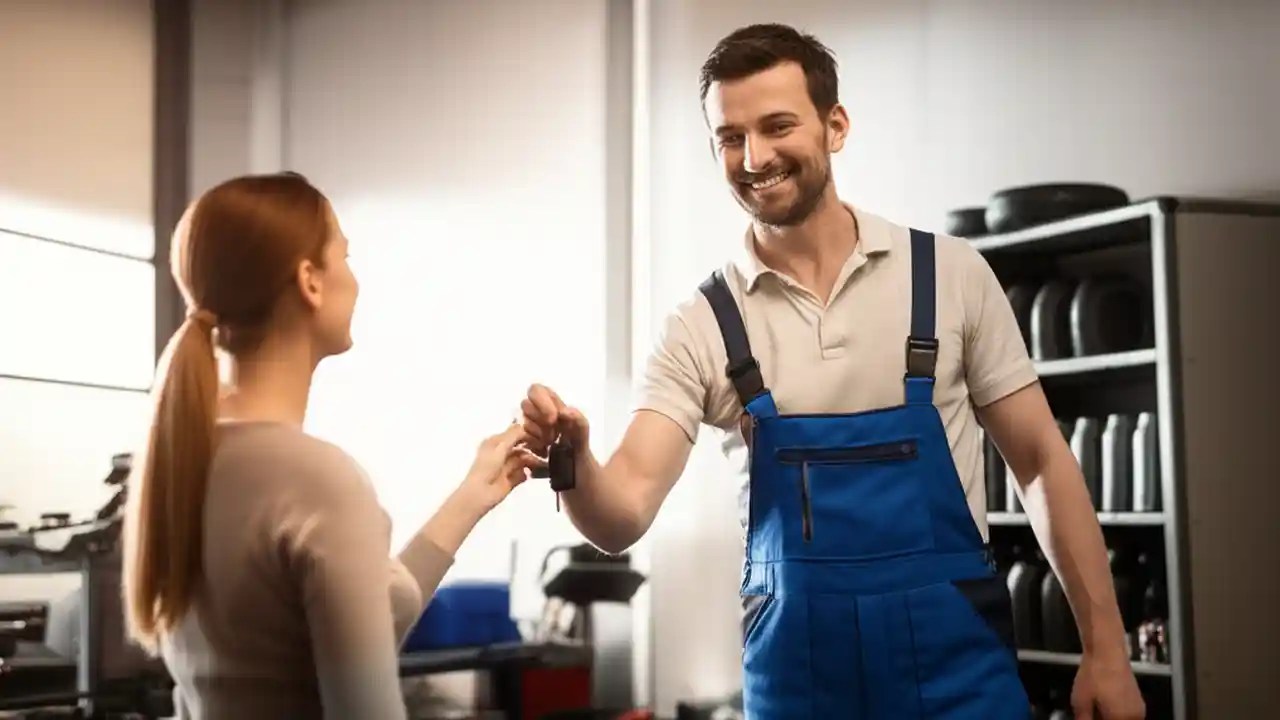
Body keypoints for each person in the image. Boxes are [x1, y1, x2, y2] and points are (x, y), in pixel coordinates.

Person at [522, 23, 1145, 720]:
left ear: (836, 125)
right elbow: (622, 513)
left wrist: (1107, 652)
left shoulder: (950, 276)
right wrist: (574, 463)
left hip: (959, 679)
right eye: (731, 137)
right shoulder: (701, 324)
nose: (754, 157)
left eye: (777, 126)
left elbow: (1039, 463)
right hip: (800, 689)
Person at [120, 172, 539, 719]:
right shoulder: (318, 480)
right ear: (310, 280)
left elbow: (355, 619)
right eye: (345, 255)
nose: (356, 280)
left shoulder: (184, 460)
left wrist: (470, 496)